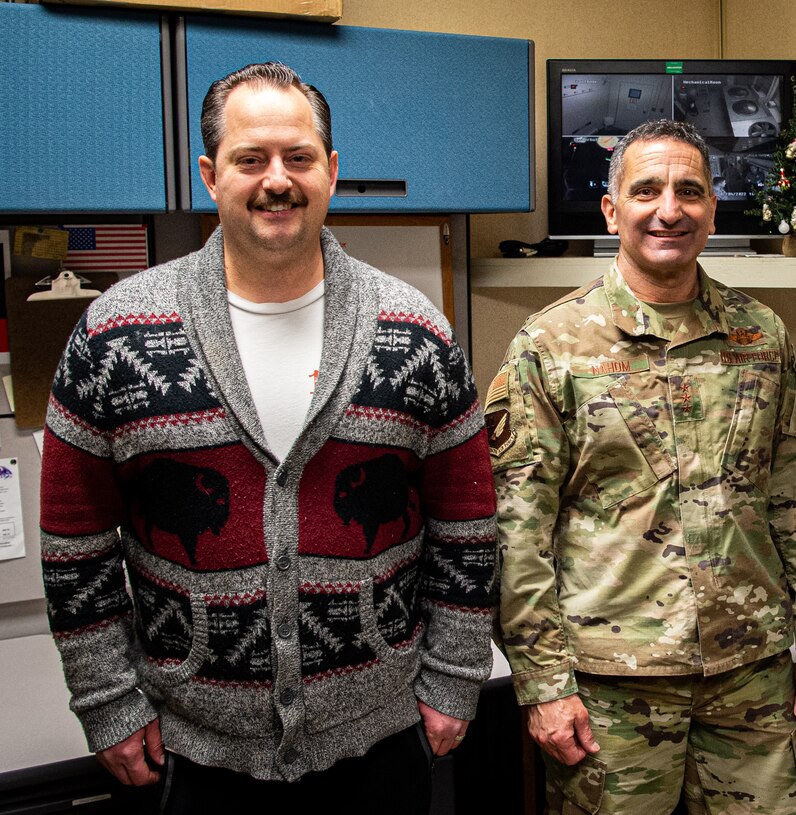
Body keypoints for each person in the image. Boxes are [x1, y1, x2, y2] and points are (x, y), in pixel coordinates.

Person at [39, 62, 497, 811]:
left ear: (333, 171)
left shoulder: (415, 331)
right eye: (250, 159)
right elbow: (75, 543)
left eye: (298, 157)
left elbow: (468, 526)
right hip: (191, 750)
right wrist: (108, 703)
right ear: (209, 174)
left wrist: (454, 675)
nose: (276, 179)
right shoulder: (114, 334)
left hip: (380, 739)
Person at [486, 119, 796, 815]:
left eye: (690, 190)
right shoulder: (551, 344)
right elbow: (519, 527)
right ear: (611, 208)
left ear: (712, 208)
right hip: (611, 683)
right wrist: (542, 681)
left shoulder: (760, 335)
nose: (669, 208)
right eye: (647, 189)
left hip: (754, 672)